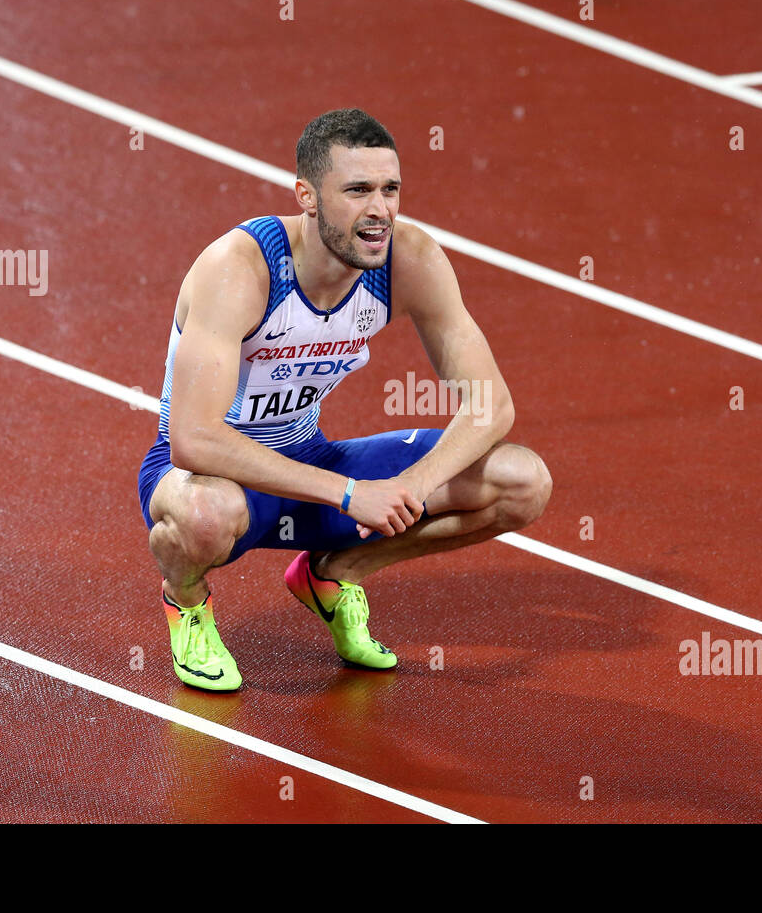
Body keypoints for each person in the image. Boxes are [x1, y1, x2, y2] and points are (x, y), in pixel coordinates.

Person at [136, 108, 551, 691]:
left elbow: (491, 406)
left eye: (390, 189)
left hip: (310, 458)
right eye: (357, 191)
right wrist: (350, 494)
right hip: (211, 478)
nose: (379, 210)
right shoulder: (240, 269)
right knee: (205, 518)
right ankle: (188, 603)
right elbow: (193, 439)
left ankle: (334, 575)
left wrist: (415, 486)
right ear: (307, 195)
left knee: (522, 480)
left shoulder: (411, 260)